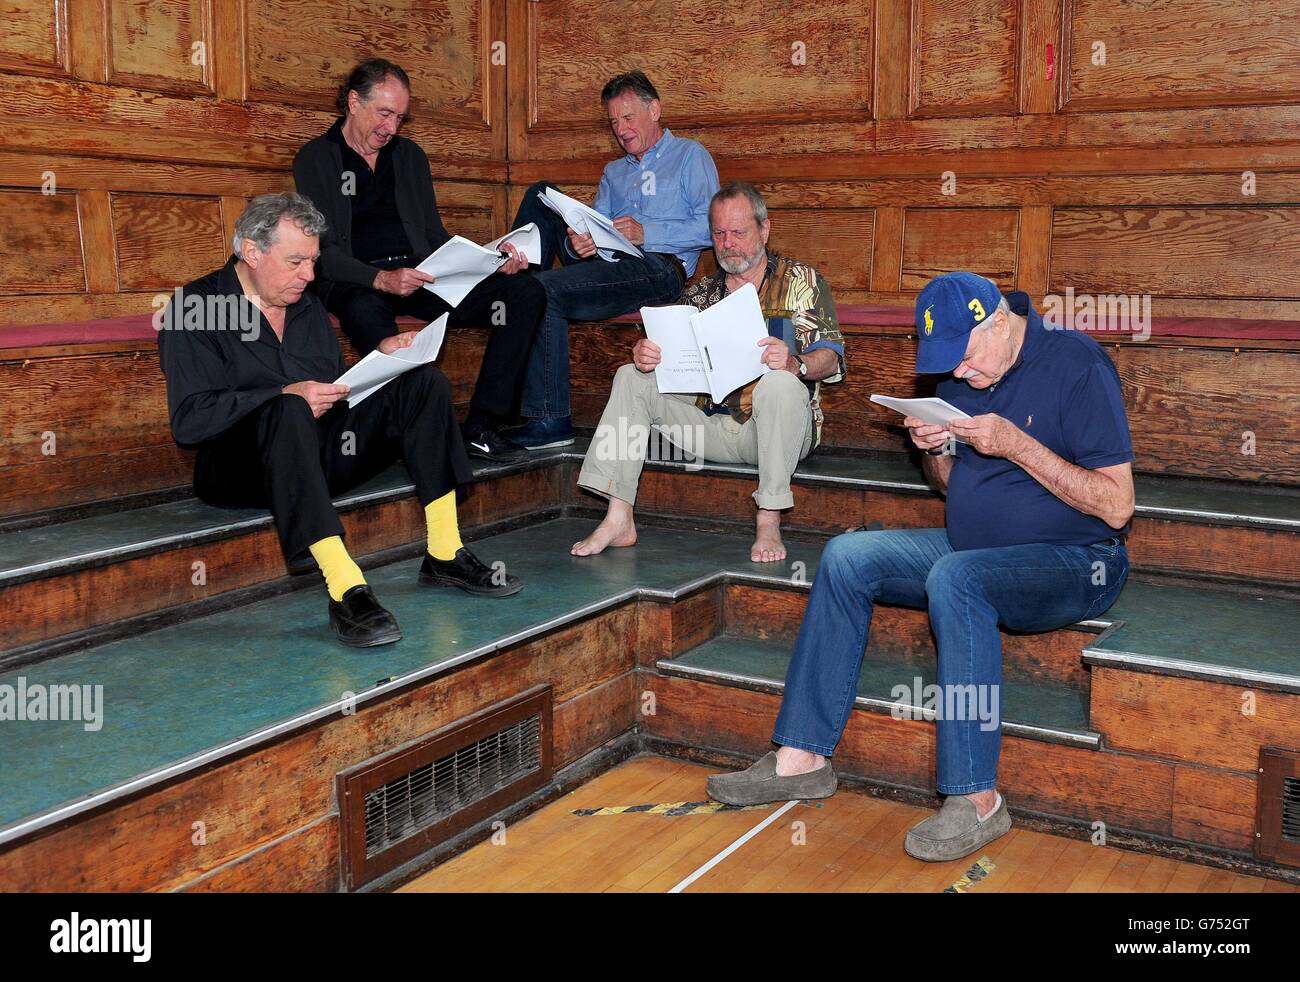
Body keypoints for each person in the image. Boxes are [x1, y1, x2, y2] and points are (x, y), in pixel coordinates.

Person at [706, 270, 1136, 863]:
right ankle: (801, 757)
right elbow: (953, 487)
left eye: (962, 359)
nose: (956, 374)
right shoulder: (963, 374)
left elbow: (1117, 506)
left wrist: (1016, 444)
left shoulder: (1077, 364)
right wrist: (936, 451)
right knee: (847, 555)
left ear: (998, 322)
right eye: (947, 365)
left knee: (956, 580)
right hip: (971, 545)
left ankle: (976, 797)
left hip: (1076, 561)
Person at [157, 193, 522, 650]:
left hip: (314, 456)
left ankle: (444, 551)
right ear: (251, 252)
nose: (308, 276)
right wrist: (282, 395)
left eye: (312, 261)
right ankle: (345, 585)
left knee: (422, 382)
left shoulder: (304, 304)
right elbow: (190, 421)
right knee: (288, 408)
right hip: (241, 470)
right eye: (295, 262)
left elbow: (331, 390)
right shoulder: (195, 306)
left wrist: (380, 362)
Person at [570, 183, 845, 562]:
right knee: (630, 376)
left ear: (764, 230)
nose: (728, 243)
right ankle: (619, 517)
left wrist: (797, 363)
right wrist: (646, 355)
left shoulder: (802, 283)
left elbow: (830, 358)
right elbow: (668, 362)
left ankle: (768, 520)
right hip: (707, 426)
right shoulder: (699, 294)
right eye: (719, 234)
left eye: (739, 232)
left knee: (780, 384)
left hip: (774, 433)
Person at [293, 58, 545, 464]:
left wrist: (484, 261)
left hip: (421, 275)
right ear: (353, 102)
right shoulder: (316, 159)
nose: (392, 128)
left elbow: (432, 236)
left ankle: (481, 426)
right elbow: (322, 253)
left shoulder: (409, 156)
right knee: (368, 314)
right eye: (385, 113)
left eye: (400, 118)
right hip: (358, 282)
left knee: (524, 291)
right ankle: (406, 432)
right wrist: (380, 279)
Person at [507, 70, 719, 450]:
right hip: (611, 266)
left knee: (541, 292)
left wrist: (647, 233)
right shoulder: (614, 171)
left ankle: (551, 419)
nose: (620, 129)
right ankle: (518, 283)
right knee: (541, 193)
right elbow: (594, 228)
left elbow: (711, 228)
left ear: (654, 110)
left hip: (660, 269)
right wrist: (578, 245)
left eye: (627, 117)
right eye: (613, 122)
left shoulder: (690, 156)